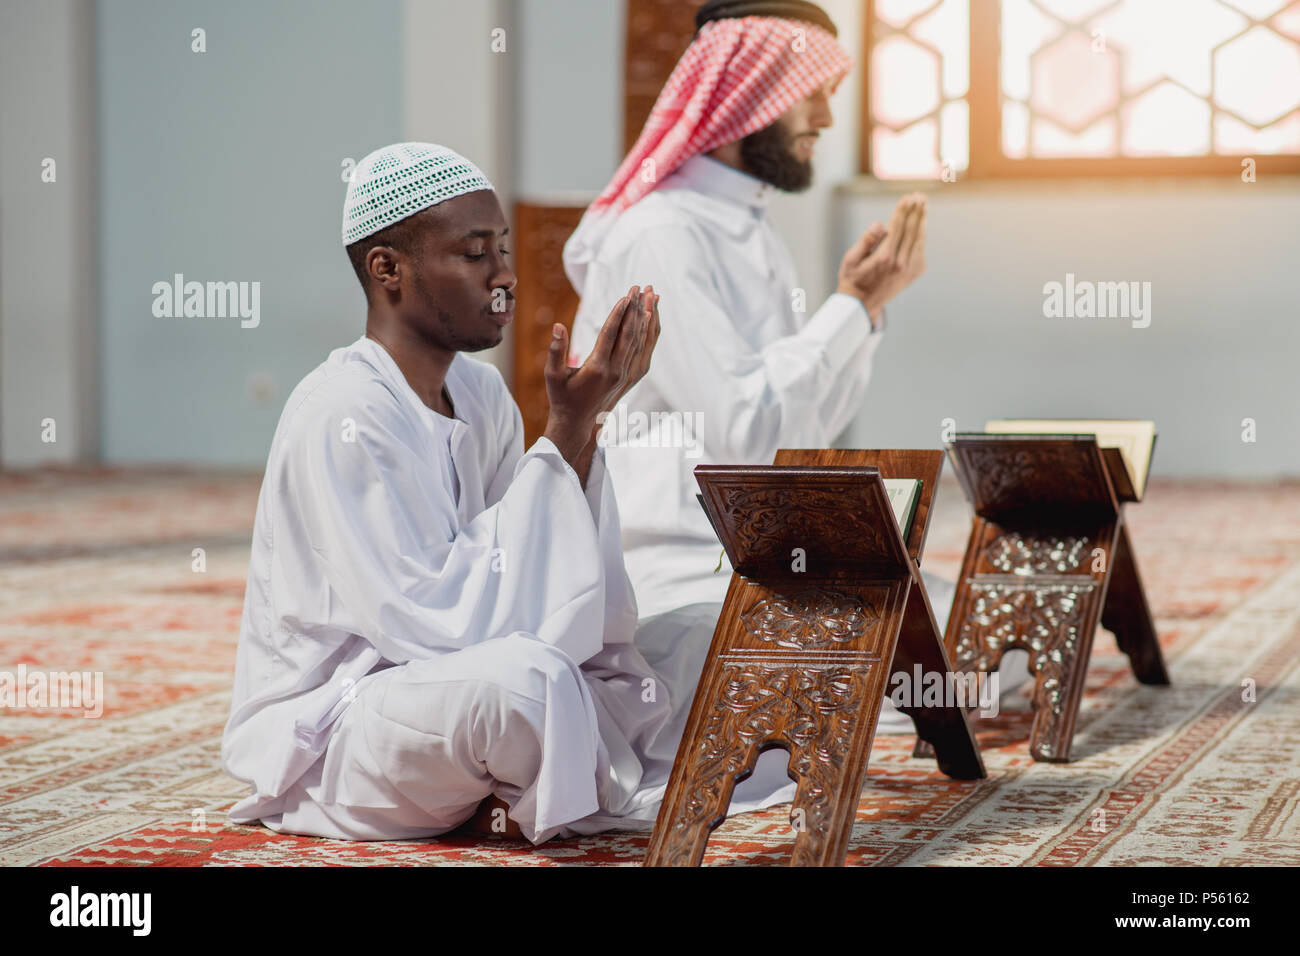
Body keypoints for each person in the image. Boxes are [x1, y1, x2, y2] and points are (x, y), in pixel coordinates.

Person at [221, 142, 794, 844]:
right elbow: (425, 617)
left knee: (712, 633)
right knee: (525, 685)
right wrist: (566, 432)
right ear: (387, 269)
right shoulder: (344, 411)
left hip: (457, 680)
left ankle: (521, 780)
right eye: (474, 254)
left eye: (503, 250)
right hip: (348, 719)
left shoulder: (479, 392)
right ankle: (533, 776)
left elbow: (530, 575)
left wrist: (584, 430)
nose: (505, 277)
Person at [564, 0, 1027, 733]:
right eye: (809, 92)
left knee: (989, 644)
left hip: (768, 549)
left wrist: (863, 311)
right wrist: (846, 308)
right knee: (946, 670)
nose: (825, 120)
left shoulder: (745, 223)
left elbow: (806, 429)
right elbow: (745, 437)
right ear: (749, 98)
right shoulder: (664, 235)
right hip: (689, 569)